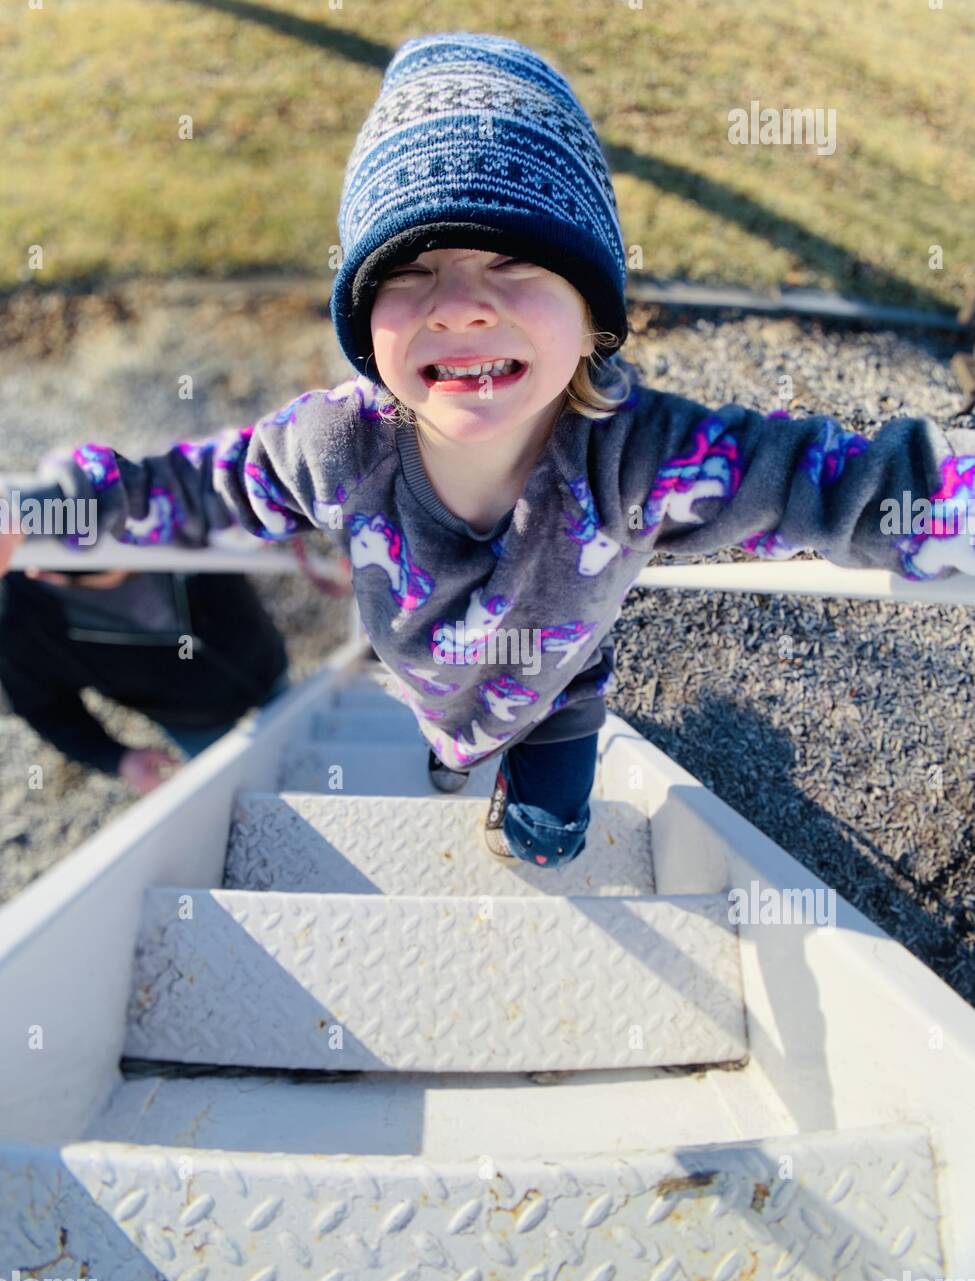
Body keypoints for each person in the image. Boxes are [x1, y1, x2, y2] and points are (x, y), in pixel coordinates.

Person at [2, 31, 974, 860]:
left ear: (594, 316)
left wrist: (944, 502)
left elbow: (832, 483)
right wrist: (50, 510)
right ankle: (455, 759)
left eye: (514, 260)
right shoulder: (338, 445)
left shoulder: (645, 456)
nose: (462, 302)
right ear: (364, 319)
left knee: (547, 836)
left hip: (558, 697)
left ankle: (534, 802)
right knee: (448, 759)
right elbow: (187, 490)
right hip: (427, 689)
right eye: (413, 270)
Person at [0, 564, 290, 793]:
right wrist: (118, 758)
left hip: (265, 663)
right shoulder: (17, 623)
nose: (138, 565)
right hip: (194, 723)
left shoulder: (160, 504)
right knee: (242, 789)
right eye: (120, 573)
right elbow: (46, 708)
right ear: (44, 573)